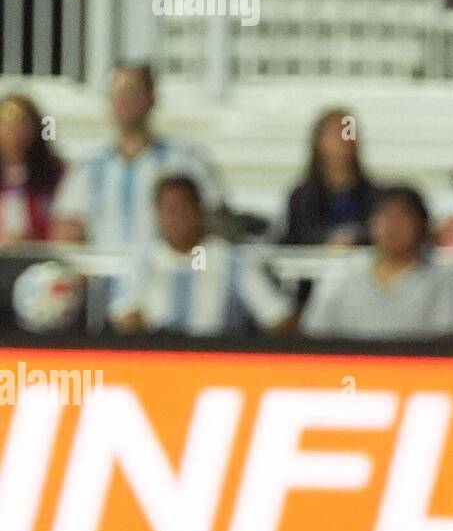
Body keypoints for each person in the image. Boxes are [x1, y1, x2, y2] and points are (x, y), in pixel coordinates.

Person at [50, 65, 226, 248]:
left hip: (165, 273)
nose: (125, 100)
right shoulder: (89, 167)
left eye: (132, 92)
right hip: (107, 273)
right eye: (118, 93)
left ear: (152, 98)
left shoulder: (186, 160)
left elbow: (215, 220)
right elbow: (67, 229)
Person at [111, 176, 295, 337]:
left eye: (183, 207)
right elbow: (123, 316)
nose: (177, 217)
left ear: (199, 209)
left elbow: (278, 318)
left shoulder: (233, 261)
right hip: (157, 364)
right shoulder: (142, 261)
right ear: (156, 214)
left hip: (218, 367)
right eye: (169, 210)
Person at [301, 186, 453, 340]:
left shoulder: (449, 278)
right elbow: (315, 333)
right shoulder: (341, 275)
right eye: (384, 217)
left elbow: (450, 339)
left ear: (422, 224)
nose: (392, 226)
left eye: (402, 217)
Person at [280, 107, 380, 247]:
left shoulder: (376, 197)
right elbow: (297, 238)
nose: (342, 140)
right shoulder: (302, 197)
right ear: (318, 141)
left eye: (348, 133)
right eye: (335, 133)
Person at [0, 93, 65, 243]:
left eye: (21, 124)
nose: (14, 132)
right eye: (6, 124)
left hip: (42, 255)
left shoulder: (55, 173)